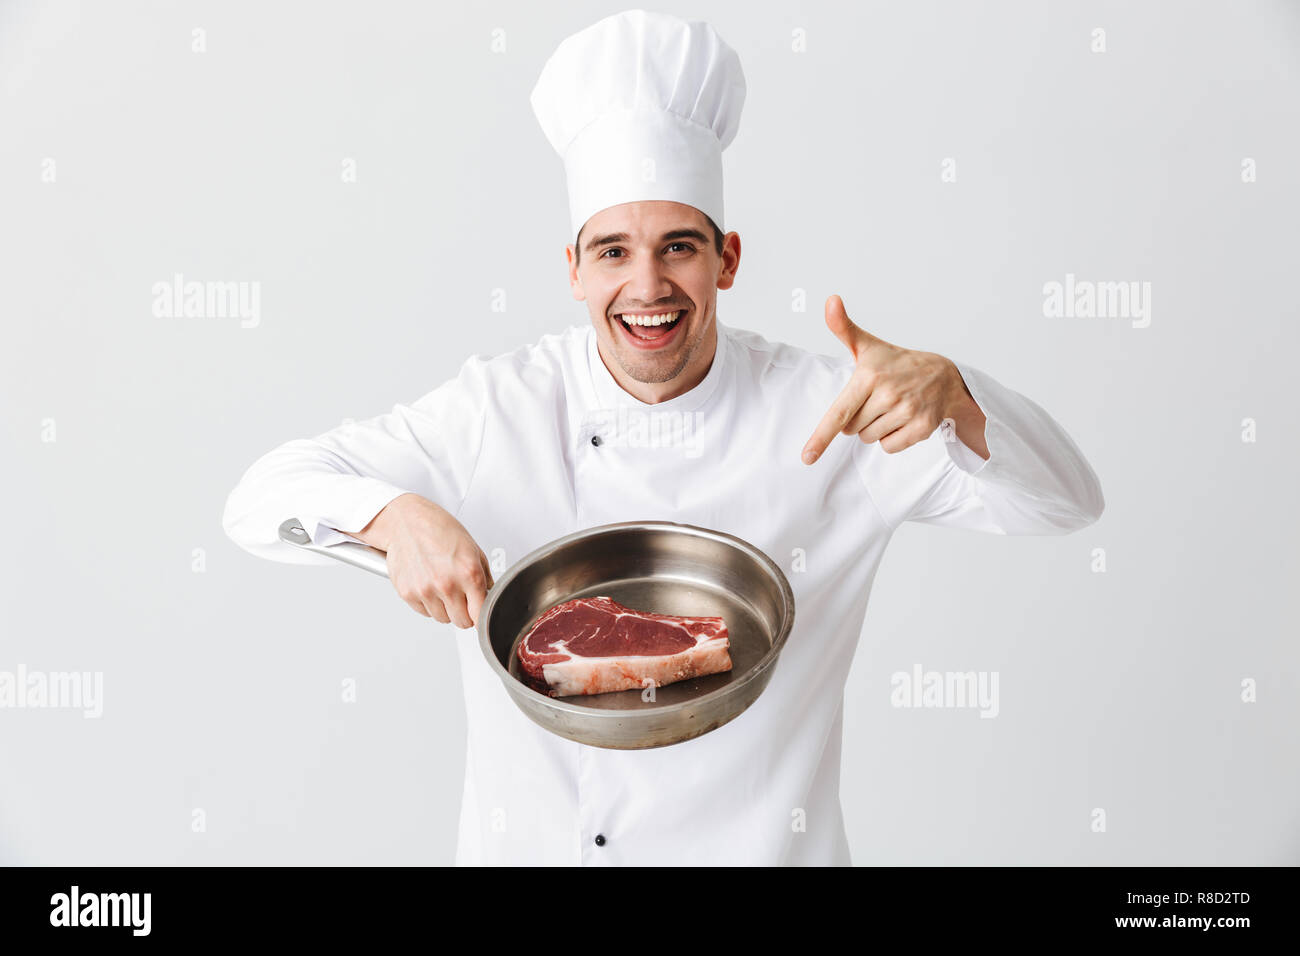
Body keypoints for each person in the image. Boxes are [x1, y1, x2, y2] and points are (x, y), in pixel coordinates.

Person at [222, 9, 1104, 865]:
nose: (647, 286)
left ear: (727, 259)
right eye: (612, 251)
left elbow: (1069, 502)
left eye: (678, 247)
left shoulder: (839, 412)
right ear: (572, 269)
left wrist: (959, 397)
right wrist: (389, 514)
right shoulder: (500, 407)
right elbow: (258, 500)